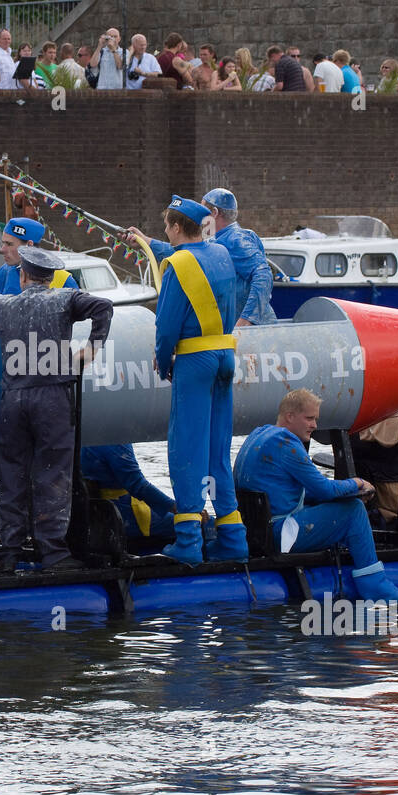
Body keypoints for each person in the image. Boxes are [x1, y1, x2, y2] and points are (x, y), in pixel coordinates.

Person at [0, 246, 114, 572]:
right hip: (52, 397)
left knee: (11, 475)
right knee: (53, 472)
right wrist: (90, 350)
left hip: (14, 398)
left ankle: (9, 553)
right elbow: (104, 307)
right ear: (51, 278)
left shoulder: (3, 305)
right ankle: (52, 553)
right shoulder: (65, 299)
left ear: (22, 276)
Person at [235, 389, 398, 600]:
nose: (314, 425)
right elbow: (323, 489)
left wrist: (345, 492)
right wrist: (356, 484)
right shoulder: (286, 442)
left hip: (254, 532)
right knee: (354, 510)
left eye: (316, 419)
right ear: (290, 416)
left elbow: (302, 492)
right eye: (309, 418)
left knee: (341, 502)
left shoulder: (259, 434)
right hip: (280, 534)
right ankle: (374, 584)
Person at [153, 195, 247, 564]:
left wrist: (163, 362)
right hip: (226, 355)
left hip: (195, 359)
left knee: (186, 449)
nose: (165, 232)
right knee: (217, 449)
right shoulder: (220, 254)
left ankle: (189, 542)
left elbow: (166, 325)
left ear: (177, 227)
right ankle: (233, 537)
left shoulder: (177, 265)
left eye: (167, 226)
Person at [201, 188, 276, 326]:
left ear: (214, 213)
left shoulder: (236, 239)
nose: (200, 217)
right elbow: (186, 252)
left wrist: (247, 319)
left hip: (256, 333)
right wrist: (149, 242)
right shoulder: (216, 239)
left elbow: (263, 274)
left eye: (202, 210)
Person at [82, 443, 177, 540]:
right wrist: (173, 506)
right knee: (186, 522)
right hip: (120, 512)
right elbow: (137, 484)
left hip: (91, 513)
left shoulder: (83, 434)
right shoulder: (114, 440)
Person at [0, 216, 77, 295]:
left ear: (29, 245)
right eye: (3, 243)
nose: (2, 249)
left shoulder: (64, 280)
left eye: (9, 244)